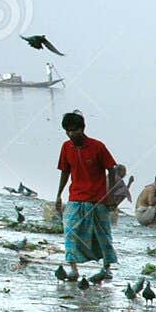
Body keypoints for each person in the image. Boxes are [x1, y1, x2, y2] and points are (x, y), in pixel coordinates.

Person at [53, 111, 119, 282]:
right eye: (67, 130)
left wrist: (110, 195)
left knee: (102, 234)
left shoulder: (97, 146)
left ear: (82, 129)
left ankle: (106, 268)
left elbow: (112, 169)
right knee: (70, 231)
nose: (70, 134)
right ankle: (73, 269)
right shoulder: (66, 147)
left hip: (97, 199)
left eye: (74, 130)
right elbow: (65, 171)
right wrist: (59, 195)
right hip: (75, 196)